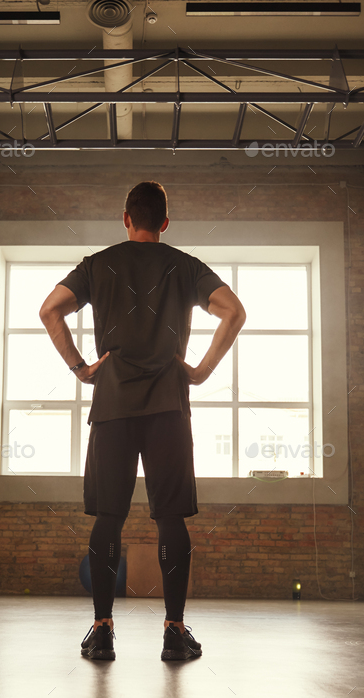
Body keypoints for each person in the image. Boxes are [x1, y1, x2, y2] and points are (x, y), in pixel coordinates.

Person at [39, 181, 246, 661]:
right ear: (165, 223)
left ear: (126, 219)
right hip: (169, 406)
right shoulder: (185, 265)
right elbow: (234, 312)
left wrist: (81, 368)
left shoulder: (98, 264)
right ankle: (174, 633)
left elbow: (50, 310)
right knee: (170, 517)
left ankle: (102, 631)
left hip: (112, 404)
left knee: (108, 517)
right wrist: (200, 371)